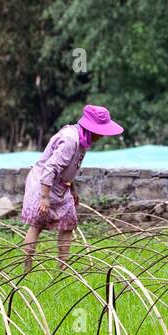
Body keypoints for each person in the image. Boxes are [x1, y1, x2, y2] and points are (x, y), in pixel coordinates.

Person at [22, 104, 124, 271]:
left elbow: (69, 168)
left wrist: (72, 189)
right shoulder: (71, 139)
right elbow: (51, 168)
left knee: (68, 222)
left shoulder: (83, 141)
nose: (103, 135)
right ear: (93, 129)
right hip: (43, 183)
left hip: (62, 185)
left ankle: (61, 268)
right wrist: (44, 197)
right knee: (37, 223)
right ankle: (27, 268)